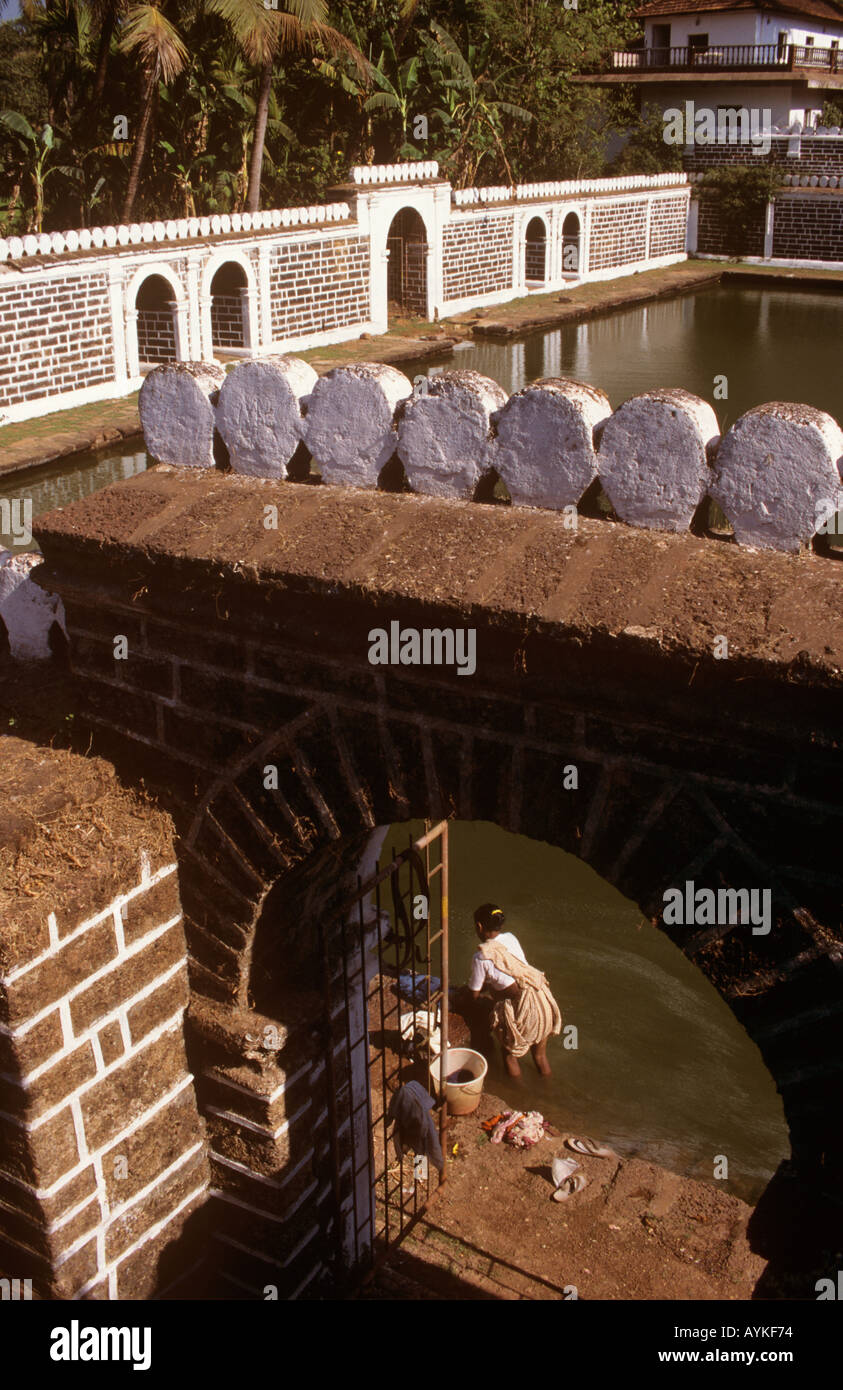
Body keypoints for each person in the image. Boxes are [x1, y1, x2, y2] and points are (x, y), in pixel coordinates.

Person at [468, 903, 562, 1078]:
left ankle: (518, 1096)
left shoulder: (481, 957)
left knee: (509, 1056)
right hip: (543, 998)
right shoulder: (511, 937)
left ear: (479, 927)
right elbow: (508, 975)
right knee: (540, 1056)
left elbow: (473, 994)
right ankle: (548, 1094)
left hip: (527, 1009)